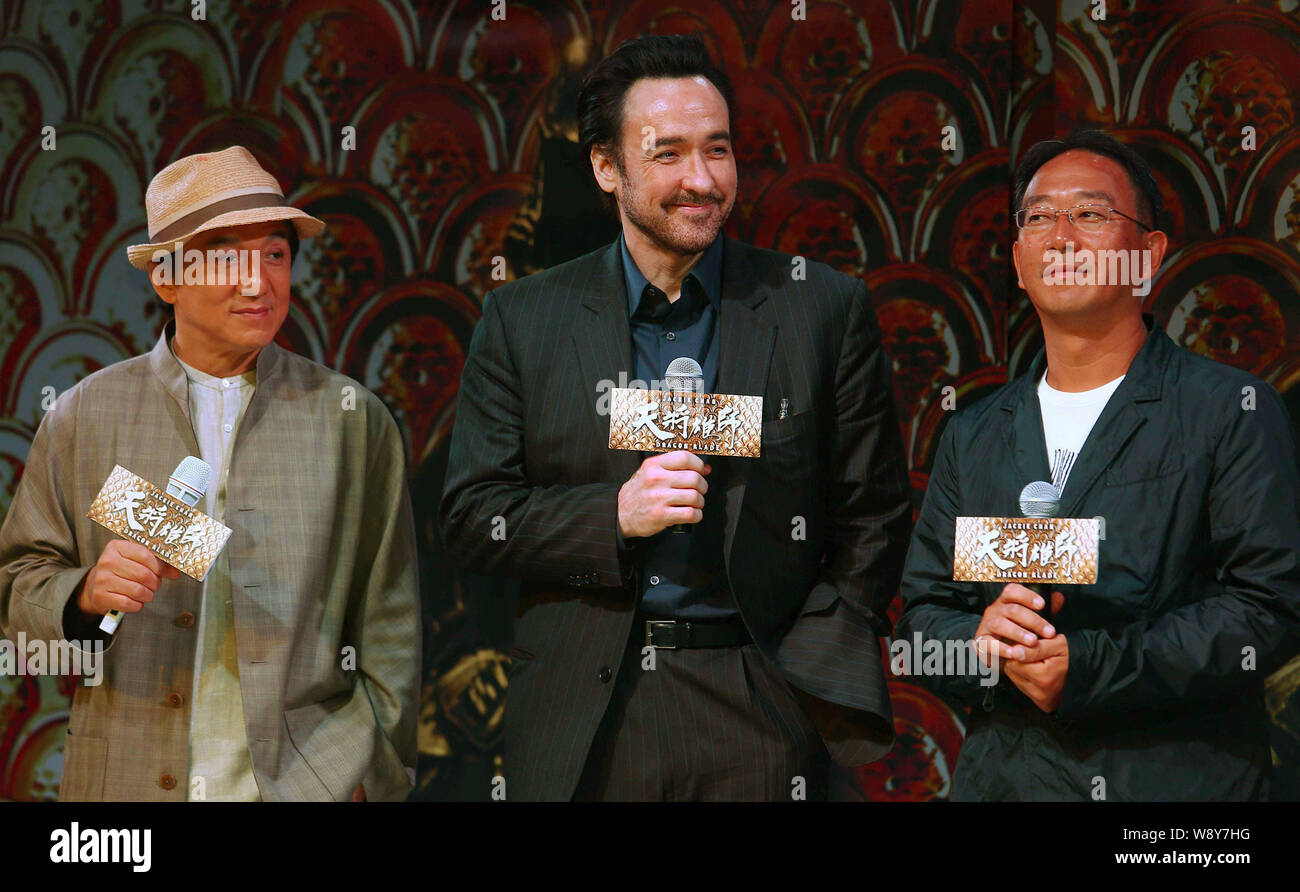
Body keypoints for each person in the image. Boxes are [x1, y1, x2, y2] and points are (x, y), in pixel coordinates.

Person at [440, 34, 912, 801]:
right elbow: (471, 516)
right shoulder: (524, 319)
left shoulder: (819, 308)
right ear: (605, 166)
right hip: (592, 709)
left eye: (719, 150)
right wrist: (613, 515)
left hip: (761, 703)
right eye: (668, 154)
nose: (703, 180)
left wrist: (803, 669)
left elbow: (876, 515)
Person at [0, 146, 421, 801]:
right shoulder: (87, 414)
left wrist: (369, 775)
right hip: (126, 785)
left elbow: (389, 625)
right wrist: (82, 593)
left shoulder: (349, 421)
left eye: (275, 254)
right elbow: (14, 588)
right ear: (166, 278)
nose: (258, 281)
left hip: (301, 783)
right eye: (226, 255)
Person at [897, 130, 1300, 800]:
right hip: (1008, 778)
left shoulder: (1228, 409)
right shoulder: (974, 434)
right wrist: (981, 645)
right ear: (1020, 263)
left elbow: (1270, 606)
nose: (1061, 236)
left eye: (1089, 214)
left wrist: (1088, 667)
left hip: (1174, 786)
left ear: (1147, 256)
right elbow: (923, 617)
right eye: (1038, 217)